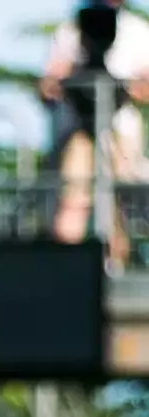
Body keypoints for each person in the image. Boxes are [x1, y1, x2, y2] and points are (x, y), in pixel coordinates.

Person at [38, 0, 149, 267]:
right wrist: (69, 83)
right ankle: (68, 270)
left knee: (121, 205)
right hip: (78, 132)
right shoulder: (69, 31)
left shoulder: (137, 31)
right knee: (73, 204)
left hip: (119, 135)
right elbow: (49, 85)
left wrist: (120, 90)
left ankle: (115, 267)